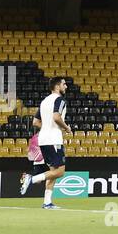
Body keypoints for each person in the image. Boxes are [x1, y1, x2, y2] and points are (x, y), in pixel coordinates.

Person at [27, 77, 73, 209]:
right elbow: (56, 117)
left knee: (52, 171)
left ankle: (47, 202)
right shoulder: (59, 100)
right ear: (58, 86)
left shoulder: (44, 101)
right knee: (60, 172)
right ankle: (32, 179)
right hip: (54, 139)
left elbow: (35, 122)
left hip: (43, 138)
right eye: (64, 84)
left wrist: (47, 126)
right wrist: (66, 128)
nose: (66, 87)